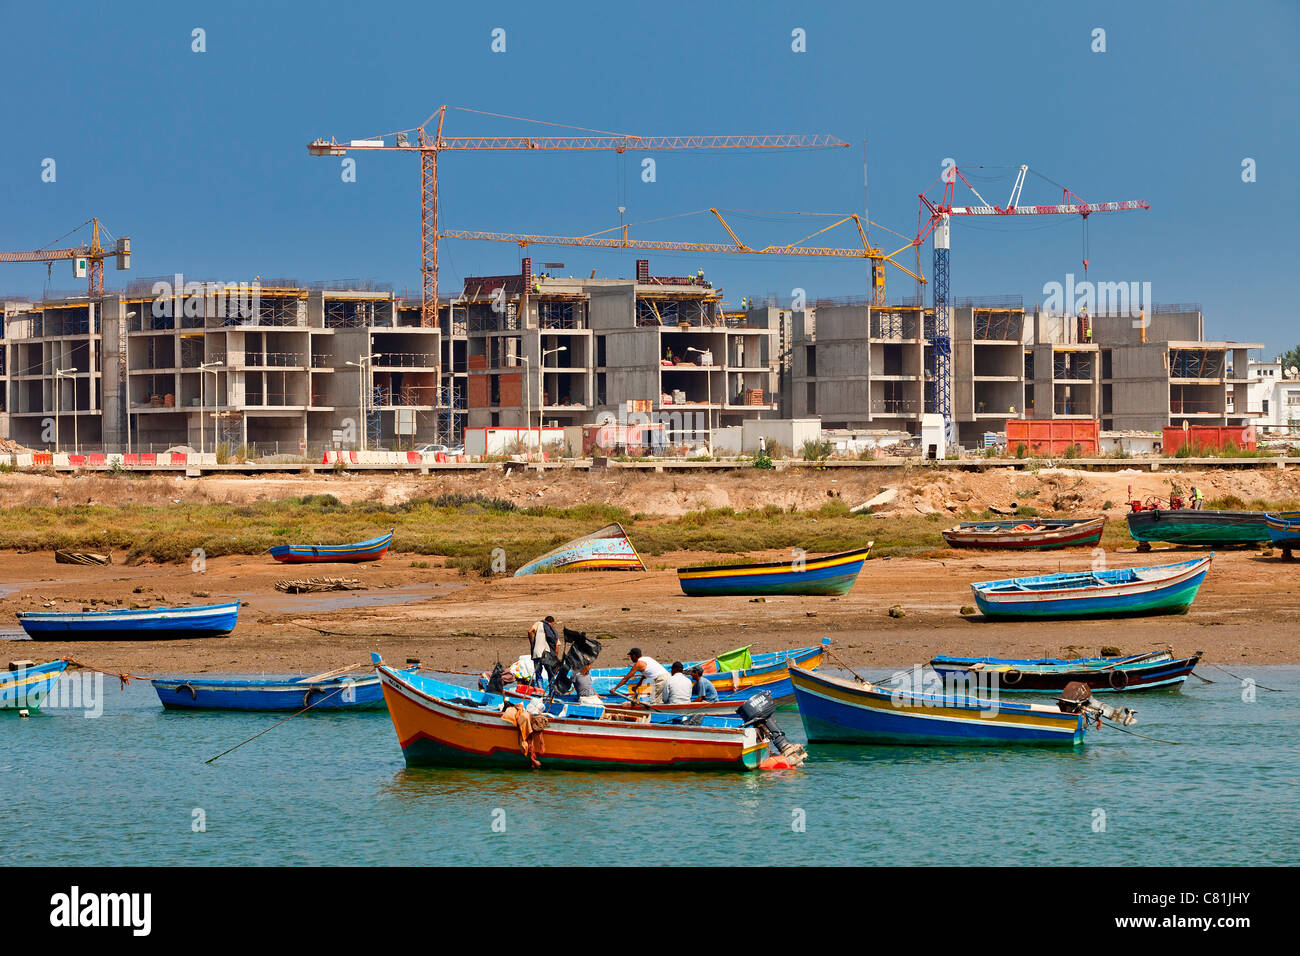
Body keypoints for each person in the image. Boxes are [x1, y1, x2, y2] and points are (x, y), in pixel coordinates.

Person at [527, 615, 558, 684]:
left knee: (538, 675)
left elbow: (530, 631)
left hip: (537, 653)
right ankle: (551, 693)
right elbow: (556, 646)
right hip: (548, 655)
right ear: (552, 623)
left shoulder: (538, 624)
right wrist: (555, 658)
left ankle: (540, 692)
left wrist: (532, 644)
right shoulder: (553, 632)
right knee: (551, 675)